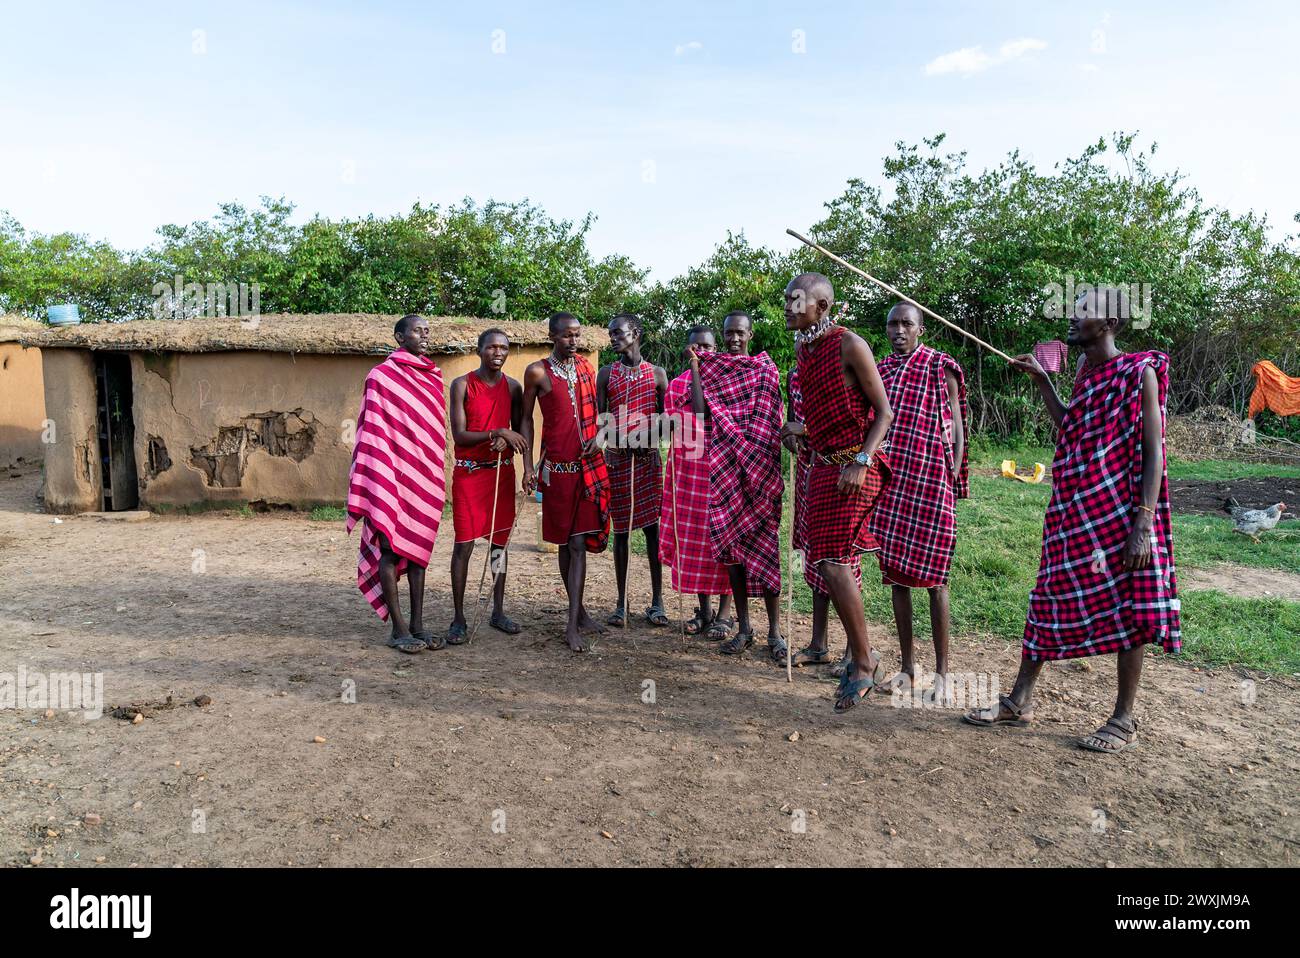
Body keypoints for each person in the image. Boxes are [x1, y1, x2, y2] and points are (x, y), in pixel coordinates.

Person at [964, 287, 1180, 753]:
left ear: (1110, 325)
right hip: (1074, 507)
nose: (1073, 317)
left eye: (1085, 311)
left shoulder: (1139, 372)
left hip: (1122, 509)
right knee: (1048, 594)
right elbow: (1071, 426)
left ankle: (1123, 718)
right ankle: (1019, 700)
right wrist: (1043, 380)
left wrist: (1144, 521)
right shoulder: (1085, 371)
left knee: (1132, 604)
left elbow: (1154, 451)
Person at [779, 274, 893, 711]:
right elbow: (830, 411)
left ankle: (864, 664)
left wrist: (862, 462)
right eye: (787, 299)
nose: (789, 306)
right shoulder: (802, 348)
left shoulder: (851, 345)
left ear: (822, 306)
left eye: (797, 300)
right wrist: (801, 432)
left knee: (833, 561)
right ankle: (863, 656)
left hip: (857, 466)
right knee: (825, 565)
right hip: (824, 465)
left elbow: (883, 412)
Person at [868, 303, 968, 695]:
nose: (898, 330)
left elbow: (956, 423)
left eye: (906, 323)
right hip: (892, 482)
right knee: (896, 577)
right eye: (893, 323)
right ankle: (908, 668)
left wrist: (952, 473)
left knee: (937, 580)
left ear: (921, 329)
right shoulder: (880, 370)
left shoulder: (940, 366)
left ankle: (942, 675)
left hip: (932, 482)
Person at [345, 314, 448, 654]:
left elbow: (432, 431)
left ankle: (418, 624)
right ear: (399, 337)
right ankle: (398, 628)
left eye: (427, 331)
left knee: (418, 552)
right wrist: (380, 477)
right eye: (417, 331)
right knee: (390, 549)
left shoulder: (433, 378)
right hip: (389, 476)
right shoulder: (381, 377)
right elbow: (373, 431)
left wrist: (428, 468)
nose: (424, 336)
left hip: (423, 475)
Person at [689, 310, 787, 662]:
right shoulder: (711, 372)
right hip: (725, 469)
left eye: (739, 333)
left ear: (750, 334)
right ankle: (744, 628)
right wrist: (699, 369)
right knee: (732, 553)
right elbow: (700, 415)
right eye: (728, 333)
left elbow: (772, 420)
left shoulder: (765, 370)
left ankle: (775, 632)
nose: (733, 339)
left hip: (760, 470)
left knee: (766, 549)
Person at [521, 312, 611, 652]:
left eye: (577, 336)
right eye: (567, 336)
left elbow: (603, 413)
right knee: (564, 543)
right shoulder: (538, 372)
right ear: (553, 336)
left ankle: (574, 621)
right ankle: (577, 617)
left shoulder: (588, 368)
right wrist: (528, 466)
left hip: (587, 466)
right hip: (557, 470)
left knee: (577, 544)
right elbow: (526, 419)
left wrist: (600, 436)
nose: (574, 342)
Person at [447, 328, 527, 643]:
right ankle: (458, 618)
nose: (498, 353)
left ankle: (498, 611)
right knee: (464, 544)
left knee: (499, 545)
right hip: (469, 475)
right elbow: (459, 435)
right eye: (492, 347)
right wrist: (497, 433)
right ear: (479, 350)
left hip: (500, 474)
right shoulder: (462, 385)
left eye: (504, 348)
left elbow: (519, 432)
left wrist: (506, 442)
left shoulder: (514, 388)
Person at [660, 325, 733, 639]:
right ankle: (703, 611)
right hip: (688, 476)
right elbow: (678, 427)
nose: (702, 353)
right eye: (696, 348)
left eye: (707, 347)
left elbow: (713, 423)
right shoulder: (677, 386)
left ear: (716, 349)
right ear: (687, 350)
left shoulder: (729, 383)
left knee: (725, 542)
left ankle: (726, 614)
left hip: (722, 474)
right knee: (694, 544)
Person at [597, 314, 669, 627]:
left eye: (618, 333)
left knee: (653, 531)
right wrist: (623, 440)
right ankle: (621, 603)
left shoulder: (657, 375)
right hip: (617, 460)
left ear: (635, 333)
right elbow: (601, 423)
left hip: (648, 462)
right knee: (621, 533)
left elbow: (666, 423)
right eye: (610, 334)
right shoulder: (606, 374)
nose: (612, 338)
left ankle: (657, 601)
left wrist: (647, 440)